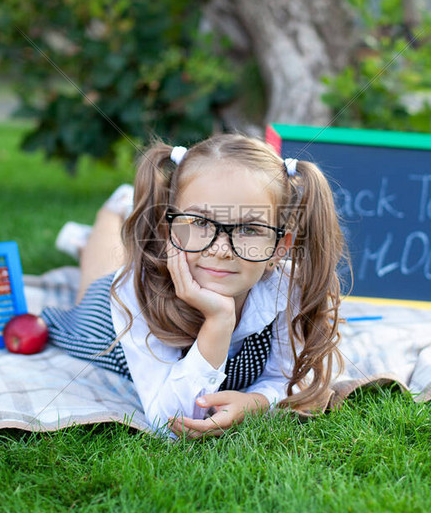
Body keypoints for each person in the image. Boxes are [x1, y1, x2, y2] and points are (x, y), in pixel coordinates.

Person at [42, 134, 348, 439]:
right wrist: (219, 321)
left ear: (281, 247)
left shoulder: (285, 288)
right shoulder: (134, 293)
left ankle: (95, 235)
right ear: (167, 229)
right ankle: (113, 212)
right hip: (104, 314)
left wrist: (257, 401)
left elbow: (292, 378)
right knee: (99, 274)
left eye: (249, 229)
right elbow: (170, 422)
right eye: (200, 222)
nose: (221, 249)